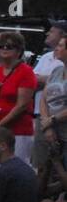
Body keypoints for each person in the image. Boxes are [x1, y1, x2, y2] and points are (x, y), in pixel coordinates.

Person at [0, 30, 36, 175]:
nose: (4, 49)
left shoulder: (26, 72)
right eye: (1, 46)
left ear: (19, 51)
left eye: (9, 46)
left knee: (16, 171)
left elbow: (22, 105)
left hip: (18, 131)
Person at [31, 21, 67, 168]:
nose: (57, 48)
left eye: (61, 46)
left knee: (61, 169)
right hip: (45, 121)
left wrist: (52, 120)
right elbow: (44, 97)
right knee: (42, 166)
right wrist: (47, 122)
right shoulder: (56, 71)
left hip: (62, 125)